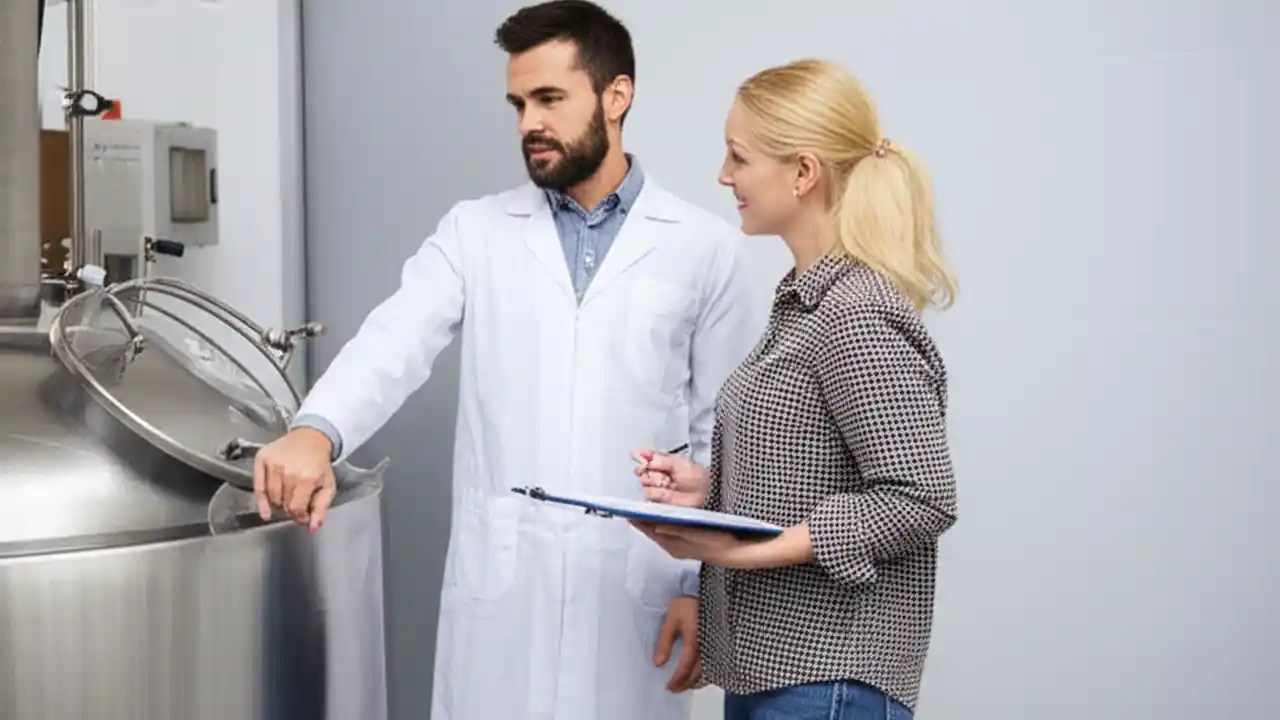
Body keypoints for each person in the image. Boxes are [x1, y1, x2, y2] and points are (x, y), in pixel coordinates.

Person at [252, 2, 760, 718]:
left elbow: (726, 437)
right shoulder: (477, 232)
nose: (529, 123)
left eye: (550, 98)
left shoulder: (704, 248)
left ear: (617, 96)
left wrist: (700, 590)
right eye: (519, 103)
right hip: (503, 589)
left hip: (638, 593)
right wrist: (317, 430)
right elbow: (394, 340)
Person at [631, 58, 959, 720]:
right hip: (776, 676)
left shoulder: (856, 313)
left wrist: (750, 552)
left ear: (803, 172)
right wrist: (712, 488)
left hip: (827, 679)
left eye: (738, 157)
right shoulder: (804, 309)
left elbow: (921, 496)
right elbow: (816, 470)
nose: (724, 176)